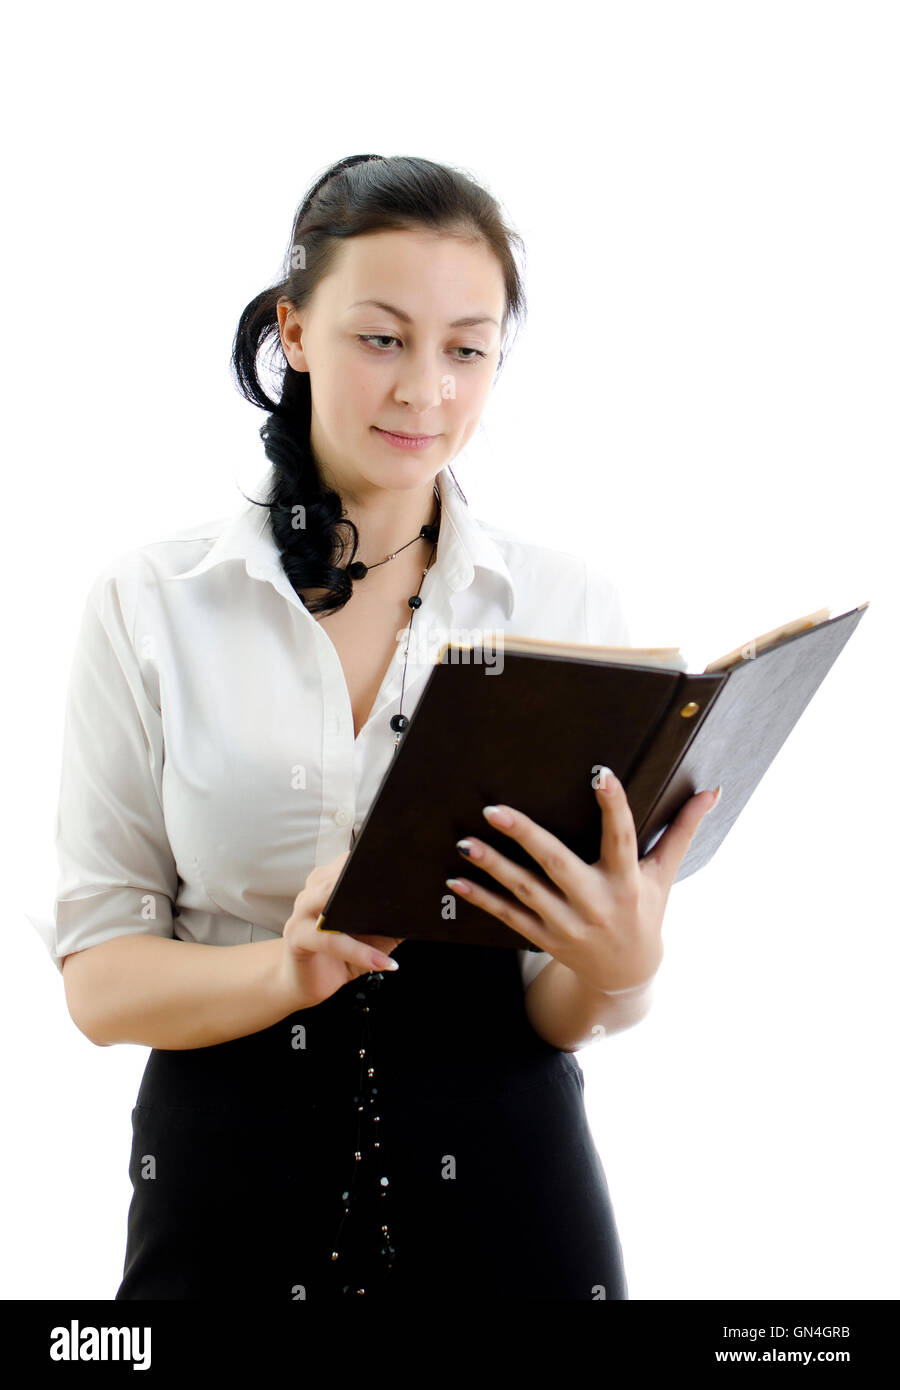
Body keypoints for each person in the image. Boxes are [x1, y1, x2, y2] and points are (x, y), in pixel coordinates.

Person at [50, 154, 719, 1300]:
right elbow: (102, 983)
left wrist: (624, 964)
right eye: (381, 337)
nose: (426, 390)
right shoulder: (150, 601)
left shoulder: (564, 610)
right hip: (227, 1207)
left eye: (468, 347)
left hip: (514, 1214)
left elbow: (556, 1007)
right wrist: (284, 970)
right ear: (294, 331)